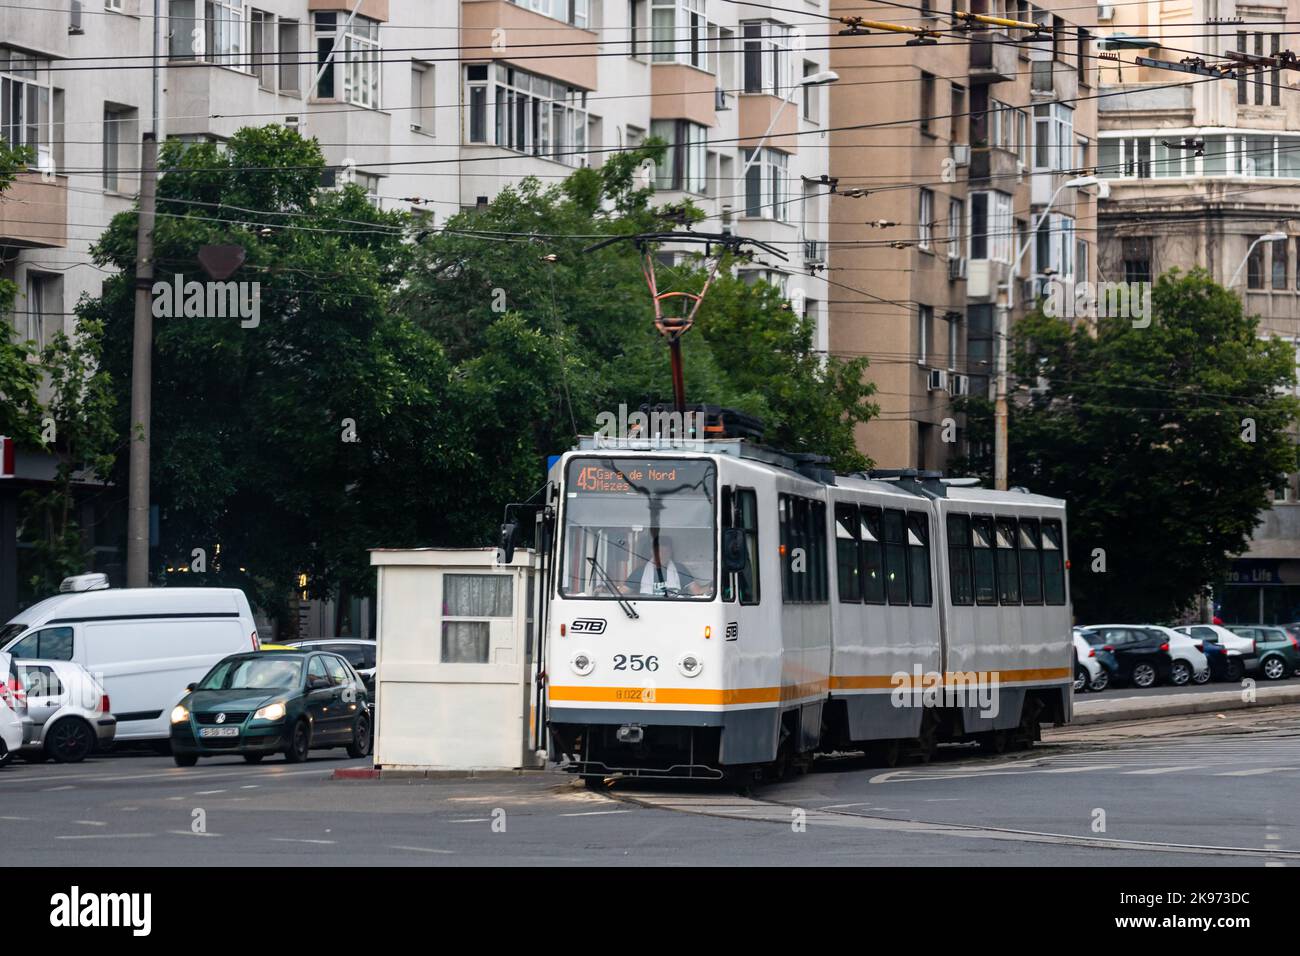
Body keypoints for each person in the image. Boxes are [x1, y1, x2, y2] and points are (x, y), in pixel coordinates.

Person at [626, 535, 701, 596]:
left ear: (670, 552)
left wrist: (710, 587)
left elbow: (697, 591)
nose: (662, 555)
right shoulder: (640, 572)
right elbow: (622, 592)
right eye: (659, 552)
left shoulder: (680, 569)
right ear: (652, 552)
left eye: (665, 552)